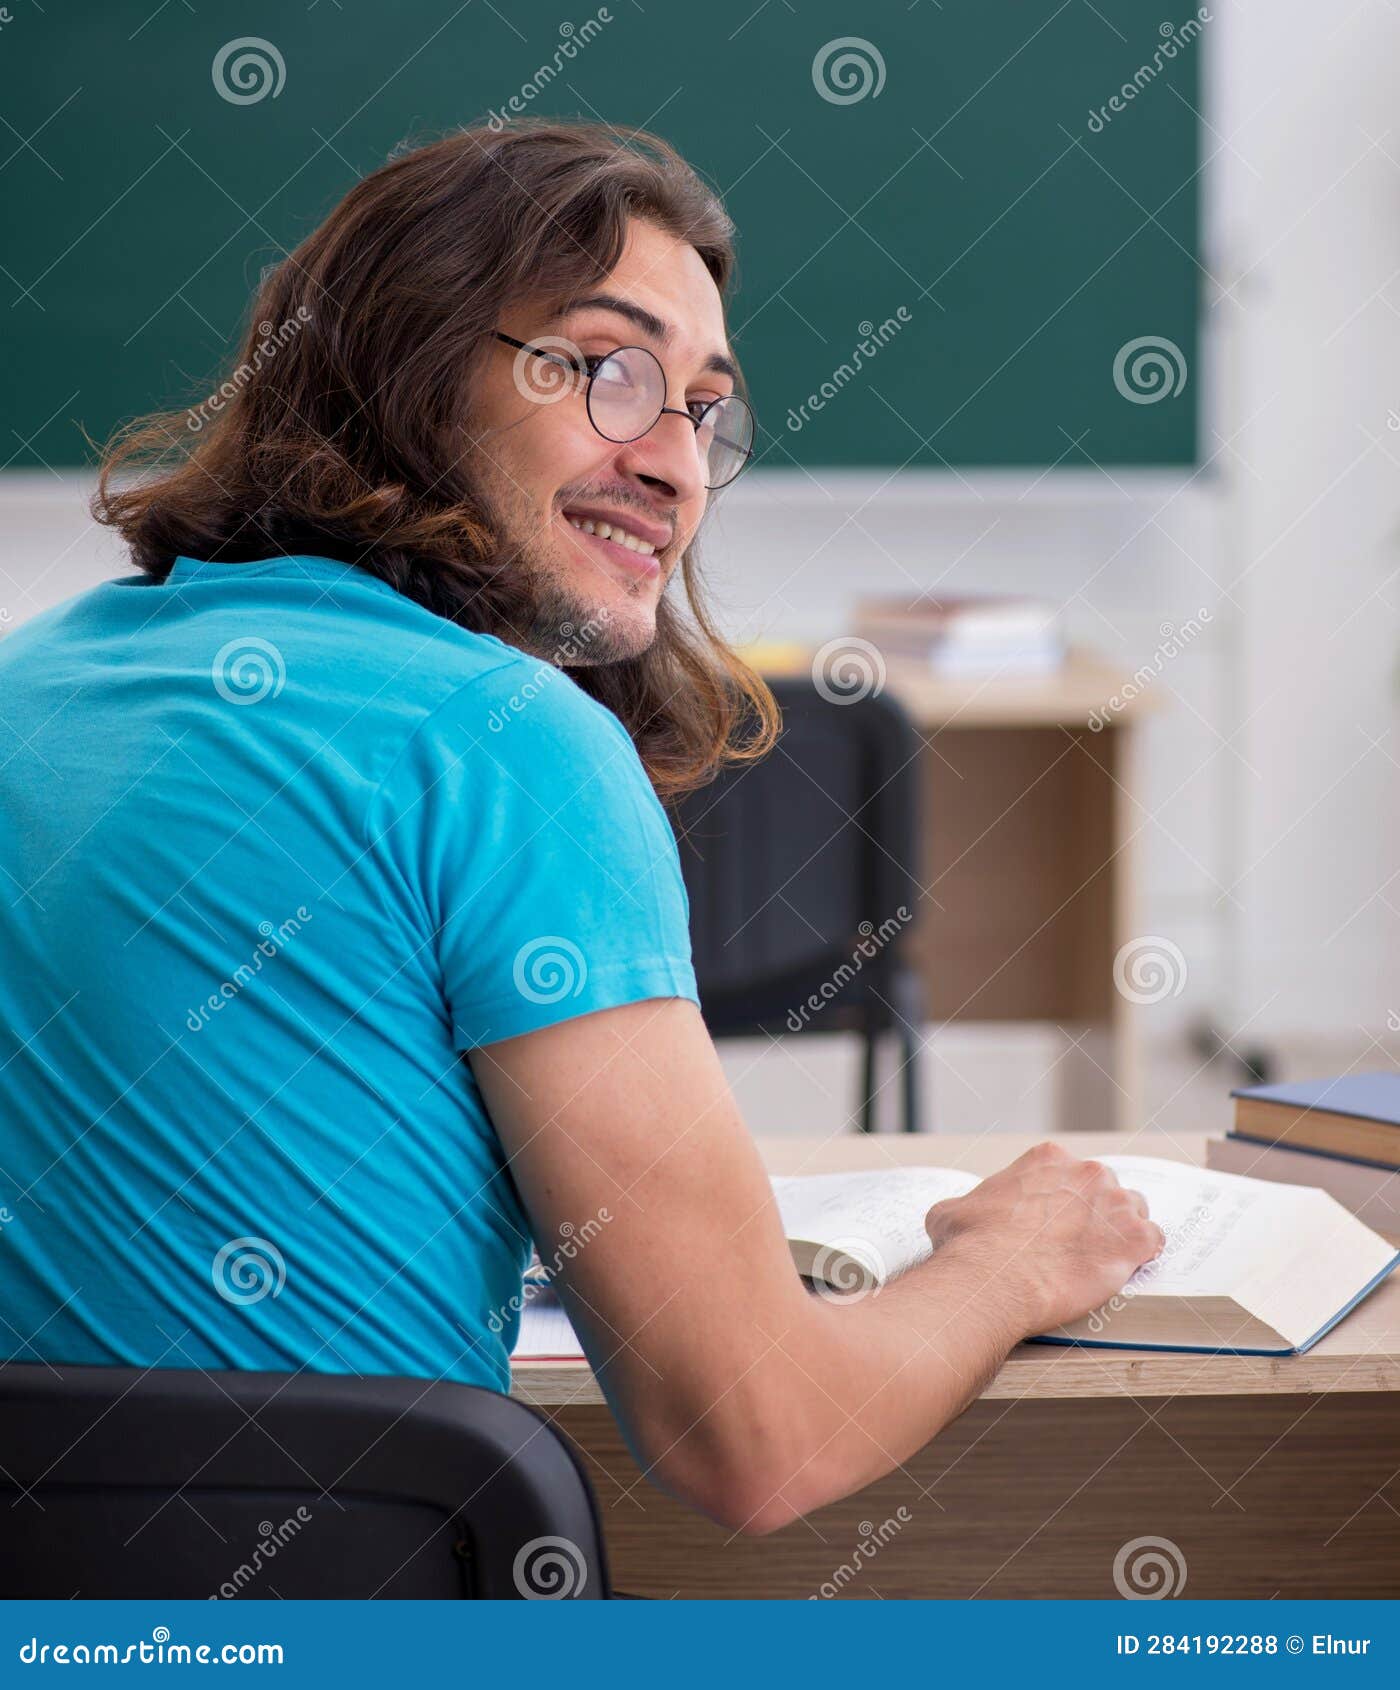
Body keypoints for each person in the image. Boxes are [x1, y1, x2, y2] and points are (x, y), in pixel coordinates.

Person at [0, 119, 1162, 1536]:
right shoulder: (510, 745)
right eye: (610, 371)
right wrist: (1016, 1260)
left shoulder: (31, 680)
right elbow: (760, 1435)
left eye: (704, 407)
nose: (677, 464)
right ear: (407, 365)